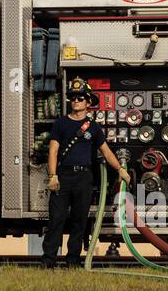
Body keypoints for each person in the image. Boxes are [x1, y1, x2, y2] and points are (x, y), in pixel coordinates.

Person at [43, 79, 131, 268]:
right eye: (73, 97)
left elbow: (106, 152)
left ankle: (73, 262)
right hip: (63, 177)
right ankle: (48, 262)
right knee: (56, 220)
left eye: (80, 98)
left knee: (79, 222)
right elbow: (53, 151)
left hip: (84, 178)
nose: (76, 101)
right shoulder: (61, 123)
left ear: (88, 102)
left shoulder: (93, 128)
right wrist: (53, 176)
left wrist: (120, 169)